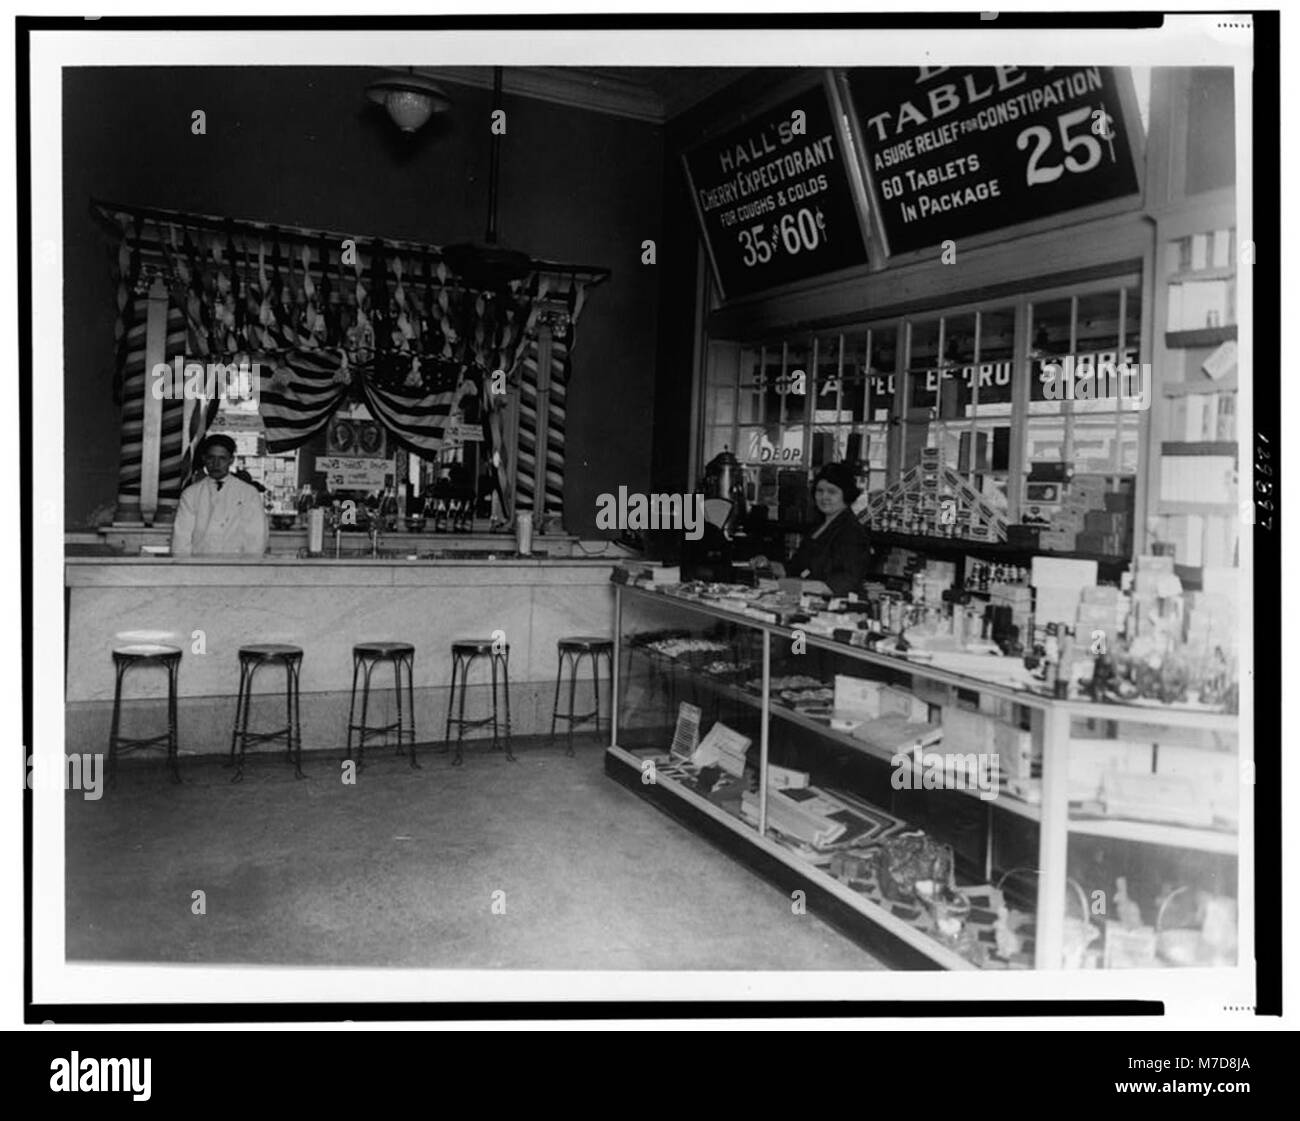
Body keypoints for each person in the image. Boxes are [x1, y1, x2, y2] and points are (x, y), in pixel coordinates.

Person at [756, 463, 870, 595]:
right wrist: (768, 565)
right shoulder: (817, 529)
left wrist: (782, 585)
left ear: (846, 494)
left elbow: (838, 585)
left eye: (832, 492)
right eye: (819, 491)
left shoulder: (851, 533)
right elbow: (792, 569)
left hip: (838, 610)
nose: (824, 497)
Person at [171, 434, 269, 557]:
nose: (216, 464)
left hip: (237, 567)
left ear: (231, 460)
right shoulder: (191, 494)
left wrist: (248, 568)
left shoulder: (248, 493)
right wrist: (185, 569)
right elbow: (181, 537)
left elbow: (257, 535)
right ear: (204, 459)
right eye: (211, 458)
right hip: (200, 567)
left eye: (222, 458)